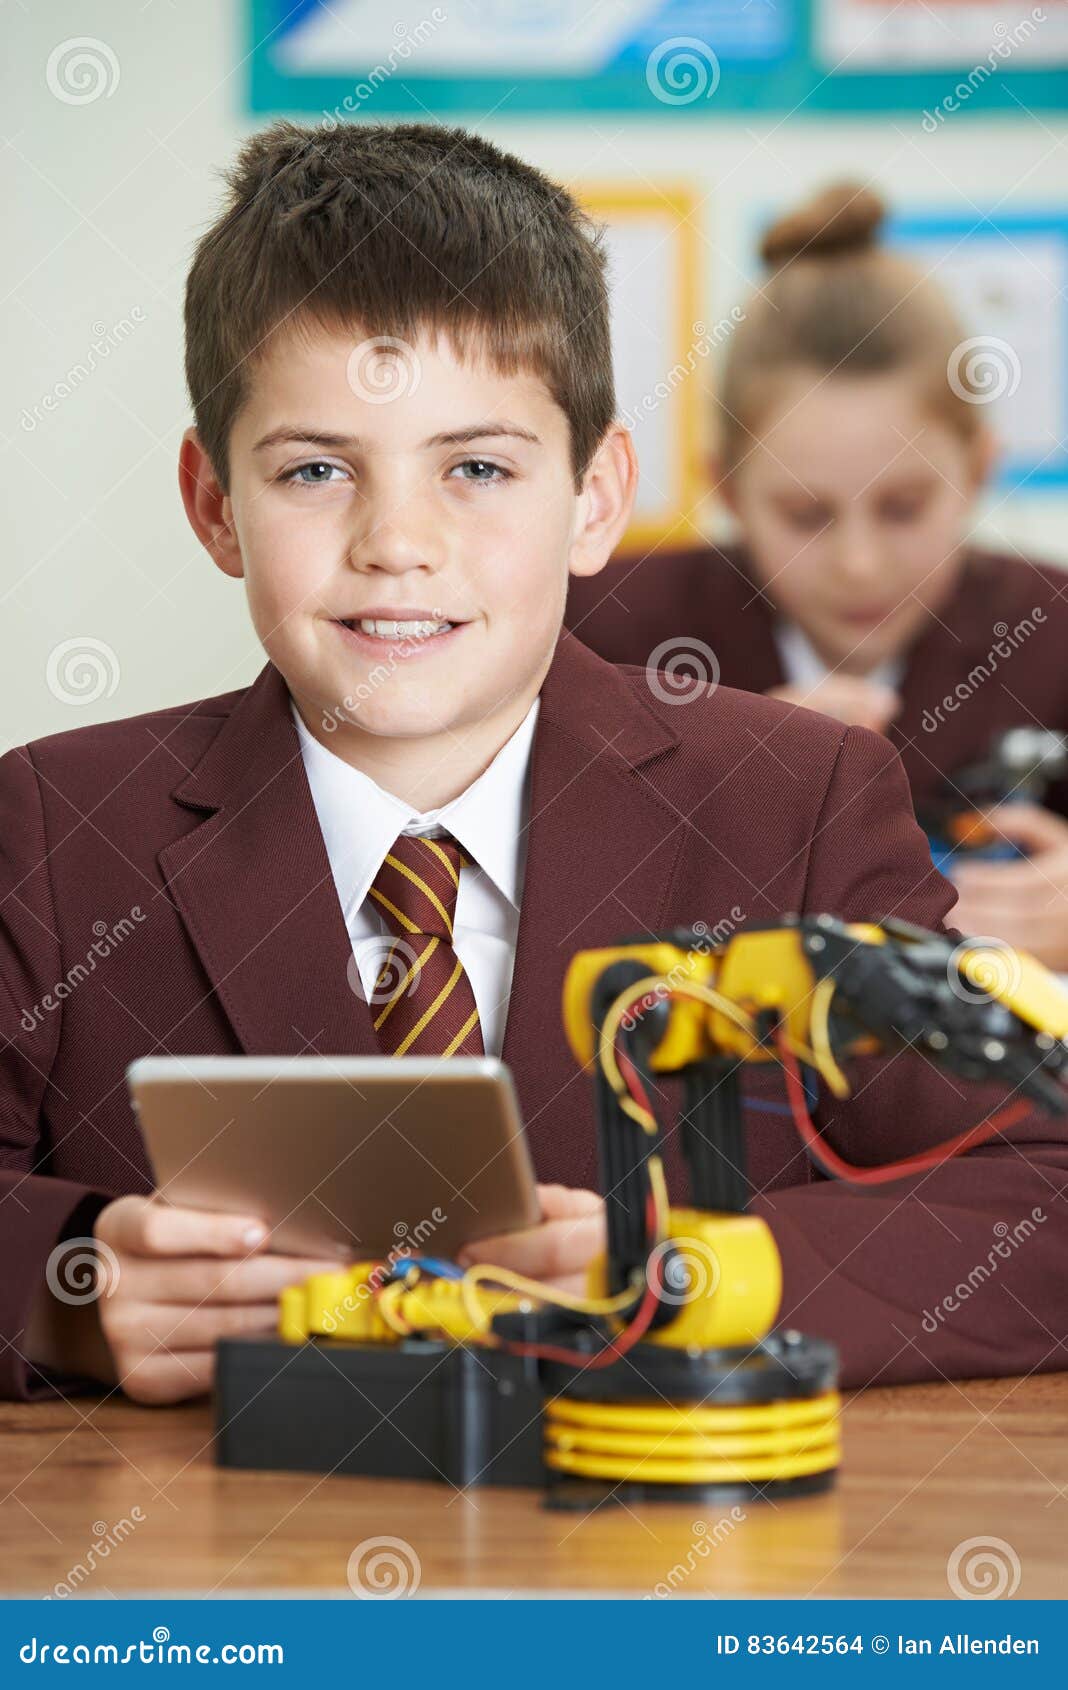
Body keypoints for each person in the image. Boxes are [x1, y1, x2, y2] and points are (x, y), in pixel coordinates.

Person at [2, 133, 1064, 1408]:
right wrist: (65, 1288)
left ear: (596, 497)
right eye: (316, 470)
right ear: (216, 504)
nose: (398, 543)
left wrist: (712, 1276)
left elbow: (1037, 1198)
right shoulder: (58, 828)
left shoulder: (801, 807)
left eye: (480, 468)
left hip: (667, 1579)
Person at [566, 184, 1068, 969]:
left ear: (978, 469)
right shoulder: (599, 632)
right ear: (726, 489)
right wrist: (729, 783)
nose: (859, 563)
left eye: (903, 509)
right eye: (806, 516)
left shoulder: (1054, 633)